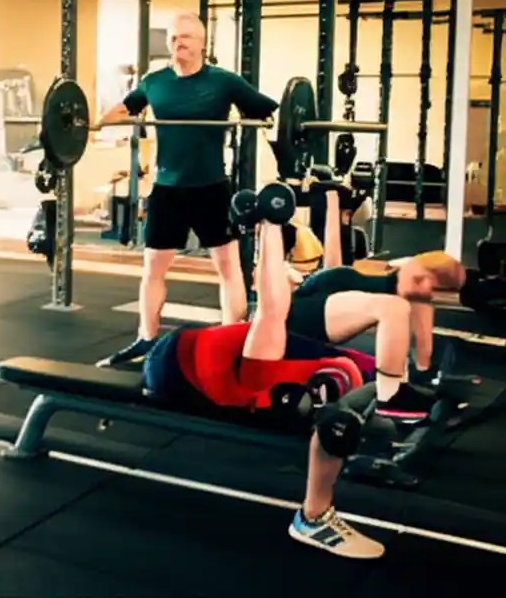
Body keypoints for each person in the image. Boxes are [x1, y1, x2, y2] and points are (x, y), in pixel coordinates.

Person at [141, 191, 386, 559]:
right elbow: (271, 304)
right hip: (171, 364)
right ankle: (313, 518)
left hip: (212, 350)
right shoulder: (265, 365)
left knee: (358, 371)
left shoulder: (292, 339)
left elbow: (280, 298)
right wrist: (270, 226)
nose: (294, 276)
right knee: (327, 381)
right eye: (290, 272)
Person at [98, 12, 281, 366]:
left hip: (211, 187)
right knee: (152, 267)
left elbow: (268, 112)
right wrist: (85, 123)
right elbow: (122, 109)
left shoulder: (224, 82)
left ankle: (234, 342)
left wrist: (283, 130)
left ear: (202, 44)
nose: (177, 43)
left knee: (228, 266)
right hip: (168, 189)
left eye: (185, 37)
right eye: (172, 38)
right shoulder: (155, 82)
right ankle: (146, 340)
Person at [283, 185, 465, 421]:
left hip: (323, 295)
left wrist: (333, 199)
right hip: (300, 318)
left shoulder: (343, 277)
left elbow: (333, 260)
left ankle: (407, 382)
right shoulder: (405, 289)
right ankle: (391, 398)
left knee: (395, 302)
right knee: (394, 308)